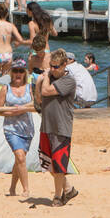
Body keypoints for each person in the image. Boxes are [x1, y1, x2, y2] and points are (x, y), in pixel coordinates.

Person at [34, 49, 79, 206]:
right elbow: (39, 100)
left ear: (64, 64)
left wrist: (45, 77)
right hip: (46, 125)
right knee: (50, 164)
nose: (52, 69)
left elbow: (46, 92)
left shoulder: (69, 81)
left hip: (61, 127)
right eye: (51, 66)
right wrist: (39, 82)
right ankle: (69, 189)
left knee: (59, 165)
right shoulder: (49, 78)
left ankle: (58, 197)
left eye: (56, 66)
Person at [0, 58, 35, 195]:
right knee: (21, 158)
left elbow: (35, 105)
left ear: (25, 73)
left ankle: (12, 188)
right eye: (16, 71)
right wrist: (14, 112)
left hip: (27, 128)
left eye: (21, 71)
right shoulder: (5, 89)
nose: (18, 74)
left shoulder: (29, 88)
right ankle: (26, 189)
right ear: (11, 72)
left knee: (18, 160)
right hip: (11, 129)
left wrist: (22, 110)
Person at [0, 4, 25, 76]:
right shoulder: (11, 26)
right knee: (5, 79)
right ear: (7, 14)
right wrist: (11, 40)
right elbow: (20, 40)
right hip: (8, 54)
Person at [25, 1, 56, 74]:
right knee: (46, 71)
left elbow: (32, 40)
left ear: (31, 11)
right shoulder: (47, 20)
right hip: (46, 50)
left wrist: (21, 42)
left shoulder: (31, 24)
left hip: (35, 50)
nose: (26, 12)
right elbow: (55, 33)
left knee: (32, 73)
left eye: (27, 10)